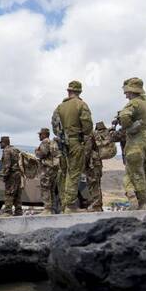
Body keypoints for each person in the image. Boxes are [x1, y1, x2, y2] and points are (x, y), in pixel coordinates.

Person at [113, 78, 146, 210]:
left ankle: (140, 203)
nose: (125, 94)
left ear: (131, 90)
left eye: (126, 92)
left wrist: (129, 127)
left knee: (137, 173)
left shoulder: (133, 104)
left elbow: (125, 116)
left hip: (135, 141)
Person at [53, 80, 93, 213]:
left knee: (64, 173)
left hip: (62, 144)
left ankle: (64, 204)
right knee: (74, 173)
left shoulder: (60, 107)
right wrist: (83, 134)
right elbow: (87, 125)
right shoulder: (81, 105)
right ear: (79, 91)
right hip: (76, 142)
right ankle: (70, 206)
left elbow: (54, 126)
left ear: (68, 91)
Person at [34, 127, 61, 215]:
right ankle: (52, 209)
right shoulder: (52, 142)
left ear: (44, 134)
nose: (39, 136)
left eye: (40, 134)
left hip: (46, 170)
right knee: (51, 189)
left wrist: (36, 151)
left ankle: (47, 209)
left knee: (45, 188)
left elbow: (42, 154)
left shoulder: (45, 142)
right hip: (53, 170)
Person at [0, 135, 24, 216]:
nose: (0, 145)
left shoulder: (7, 151)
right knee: (17, 194)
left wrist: (5, 175)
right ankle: (18, 211)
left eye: (1, 143)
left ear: (4, 143)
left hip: (12, 175)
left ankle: (8, 211)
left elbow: (7, 165)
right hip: (18, 174)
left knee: (9, 193)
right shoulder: (15, 150)